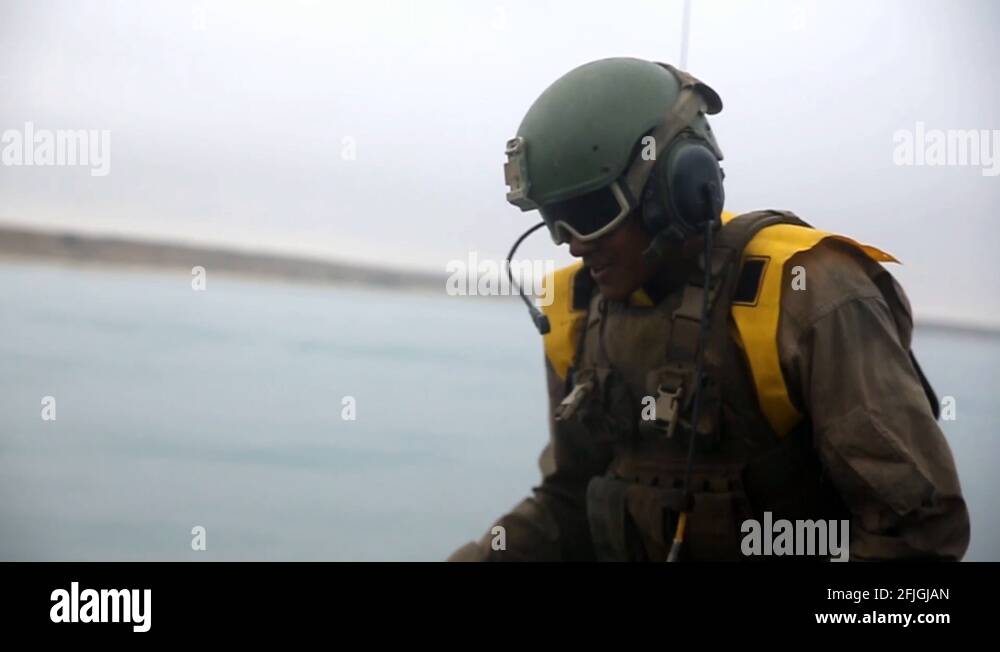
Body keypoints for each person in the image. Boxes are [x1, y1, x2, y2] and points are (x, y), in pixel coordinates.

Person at [448, 57, 969, 561]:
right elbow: (569, 502)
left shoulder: (807, 293)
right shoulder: (574, 309)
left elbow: (918, 537)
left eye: (590, 213)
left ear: (679, 187)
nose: (572, 245)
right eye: (554, 220)